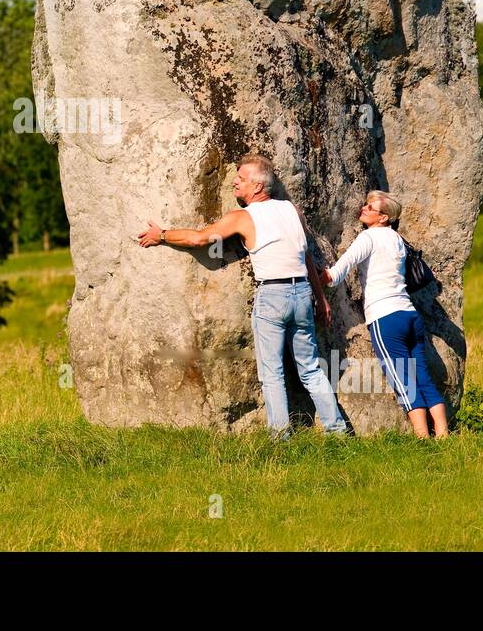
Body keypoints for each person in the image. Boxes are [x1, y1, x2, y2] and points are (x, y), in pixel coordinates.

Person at [136, 154, 348, 438]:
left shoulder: (243, 217)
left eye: (241, 178)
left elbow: (199, 239)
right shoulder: (291, 210)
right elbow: (306, 256)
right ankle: (337, 433)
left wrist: (161, 234)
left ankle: (281, 438)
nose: (234, 181)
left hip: (273, 295)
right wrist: (319, 298)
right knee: (310, 369)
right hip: (301, 294)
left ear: (258, 187)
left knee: (272, 374)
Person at [323, 191, 448, 438]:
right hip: (409, 315)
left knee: (402, 379)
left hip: (385, 317)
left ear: (383, 217)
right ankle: (443, 434)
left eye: (371, 207)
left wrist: (313, 276)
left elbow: (337, 274)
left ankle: (422, 438)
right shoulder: (398, 239)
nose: (364, 209)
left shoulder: (368, 238)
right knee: (421, 375)